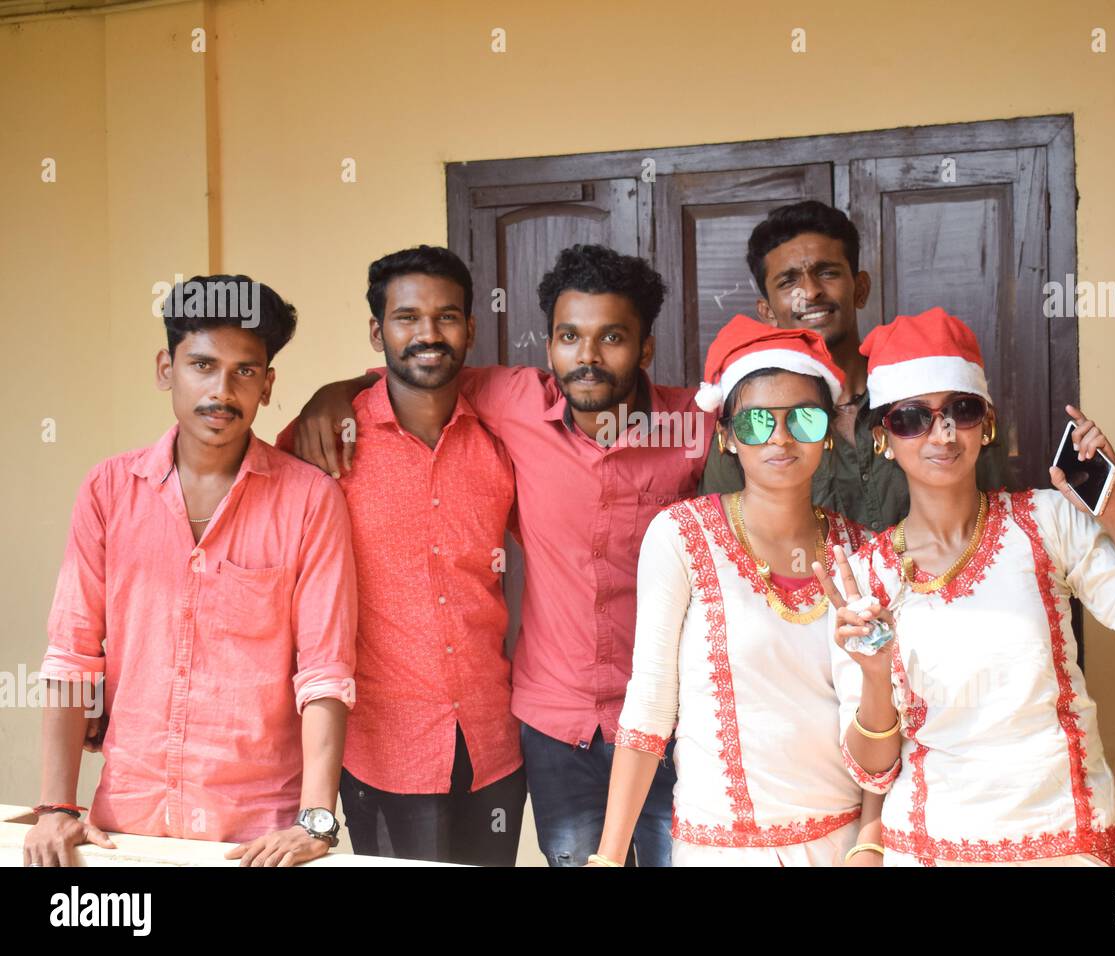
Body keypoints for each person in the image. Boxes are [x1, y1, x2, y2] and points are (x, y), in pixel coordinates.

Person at [288, 245, 710, 866]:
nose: (587, 356)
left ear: (645, 348)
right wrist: (334, 391)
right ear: (549, 346)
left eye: (612, 337)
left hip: (675, 721)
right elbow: (414, 370)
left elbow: (774, 426)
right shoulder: (516, 404)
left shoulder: (697, 428)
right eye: (569, 336)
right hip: (555, 725)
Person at [813, 306, 1115, 866]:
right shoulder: (865, 575)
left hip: (1067, 838)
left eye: (961, 409)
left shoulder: (1046, 523)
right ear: (884, 438)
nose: (942, 433)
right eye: (911, 418)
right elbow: (871, 768)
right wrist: (875, 676)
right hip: (930, 848)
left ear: (988, 422)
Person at [25, 275, 357, 868]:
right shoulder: (108, 491)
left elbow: (326, 671)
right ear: (165, 368)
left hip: (257, 837)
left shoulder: (310, 500)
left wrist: (316, 822)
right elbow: (72, 655)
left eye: (244, 372)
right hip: (125, 827)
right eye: (201, 365)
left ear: (268, 384)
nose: (221, 391)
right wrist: (57, 807)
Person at [590, 316, 887, 867]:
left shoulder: (863, 553)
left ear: (827, 430)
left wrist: (870, 838)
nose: (779, 437)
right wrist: (608, 858)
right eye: (754, 423)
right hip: (717, 849)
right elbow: (650, 707)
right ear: (726, 435)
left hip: (843, 847)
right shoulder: (680, 536)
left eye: (802, 418)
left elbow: (884, 709)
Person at [275, 247, 526, 865]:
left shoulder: (502, 439)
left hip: (493, 740)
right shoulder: (324, 441)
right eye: (406, 318)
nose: (428, 334)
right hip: (382, 749)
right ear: (376, 331)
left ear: (470, 328)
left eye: (446, 317)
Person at [700, 200, 1007, 530]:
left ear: (860, 289)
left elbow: (996, 518)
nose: (811, 292)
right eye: (788, 281)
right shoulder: (753, 424)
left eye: (827, 272)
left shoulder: (932, 396)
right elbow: (725, 538)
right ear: (768, 312)